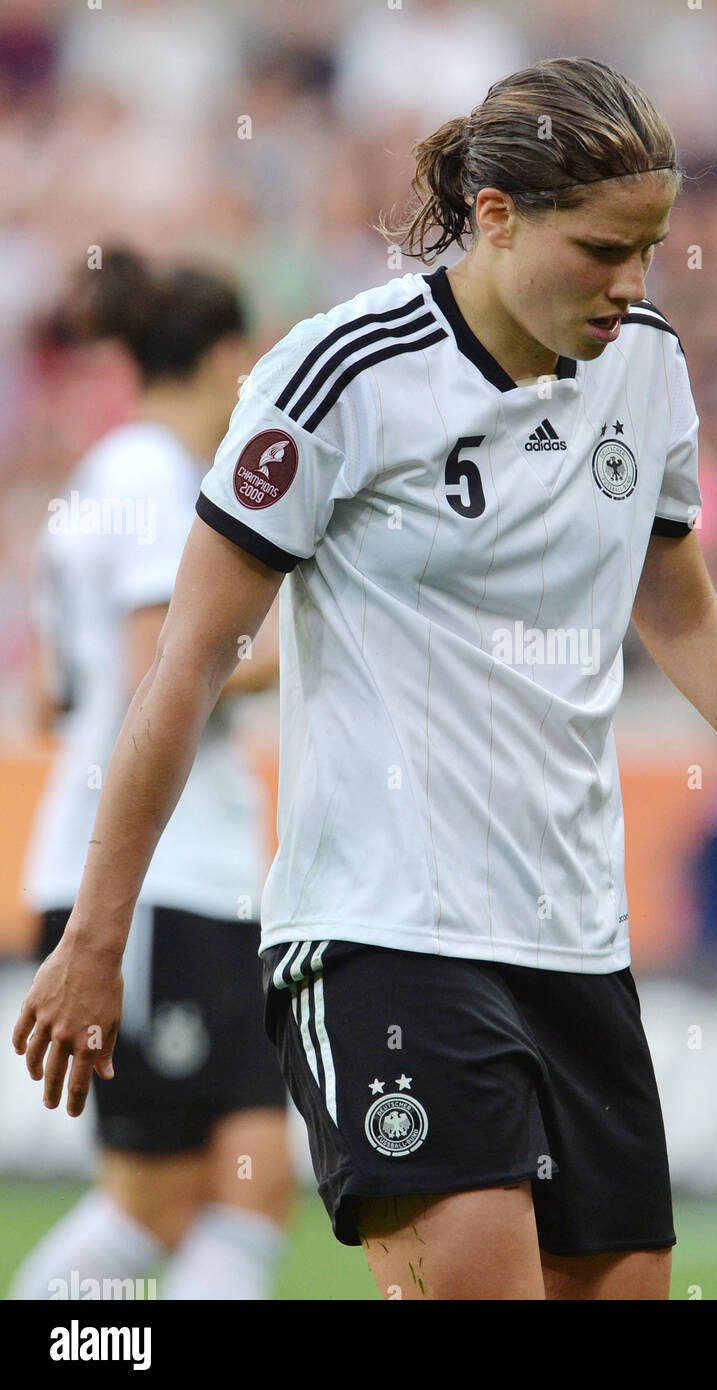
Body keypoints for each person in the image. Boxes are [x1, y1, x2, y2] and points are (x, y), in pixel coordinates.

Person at [12, 59, 717, 1301]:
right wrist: (98, 931)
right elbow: (182, 669)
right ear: (496, 216)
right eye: (603, 248)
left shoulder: (648, 368)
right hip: (382, 930)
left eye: (653, 250)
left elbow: (687, 616)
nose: (630, 284)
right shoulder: (338, 376)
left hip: (572, 939)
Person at [10, 251, 292, 1300]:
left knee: (253, 1186)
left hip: (196, 879)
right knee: (157, 1203)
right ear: (227, 358)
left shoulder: (105, 475)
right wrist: (312, 639)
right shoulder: (150, 476)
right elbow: (155, 681)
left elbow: (53, 695)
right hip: (152, 883)